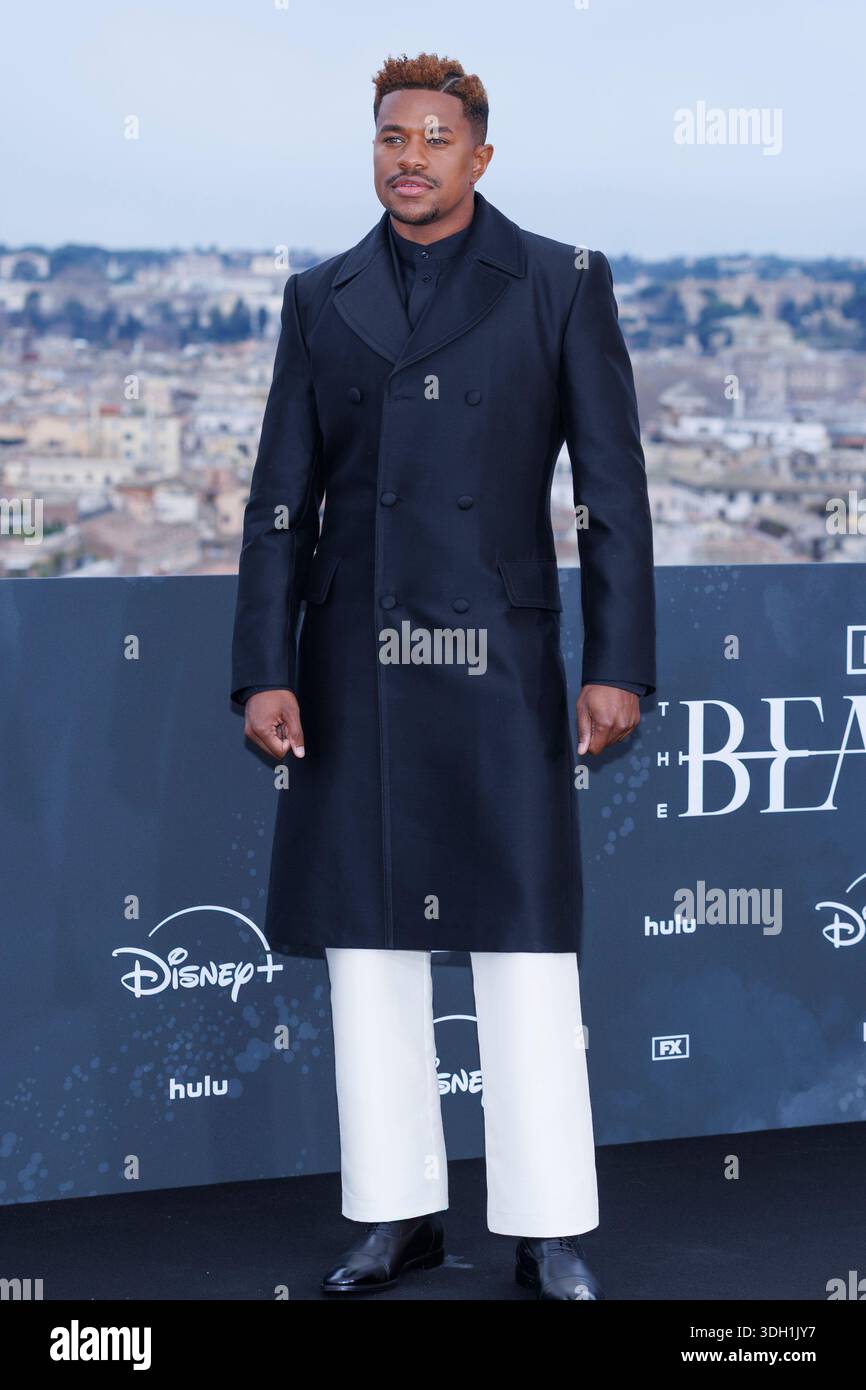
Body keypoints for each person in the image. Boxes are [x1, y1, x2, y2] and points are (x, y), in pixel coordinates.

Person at [230, 51, 656, 1300]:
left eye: (430, 136)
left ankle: (543, 1223)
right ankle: (398, 1211)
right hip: (352, 664)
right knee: (369, 954)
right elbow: (277, 505)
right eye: (386, 136)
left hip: (500, 661)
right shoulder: (320, 298)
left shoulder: (562, 283)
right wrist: (263, 664)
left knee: (524, 953)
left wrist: (615, 661)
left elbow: (611, 499)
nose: (405, 155)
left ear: (479, 155)